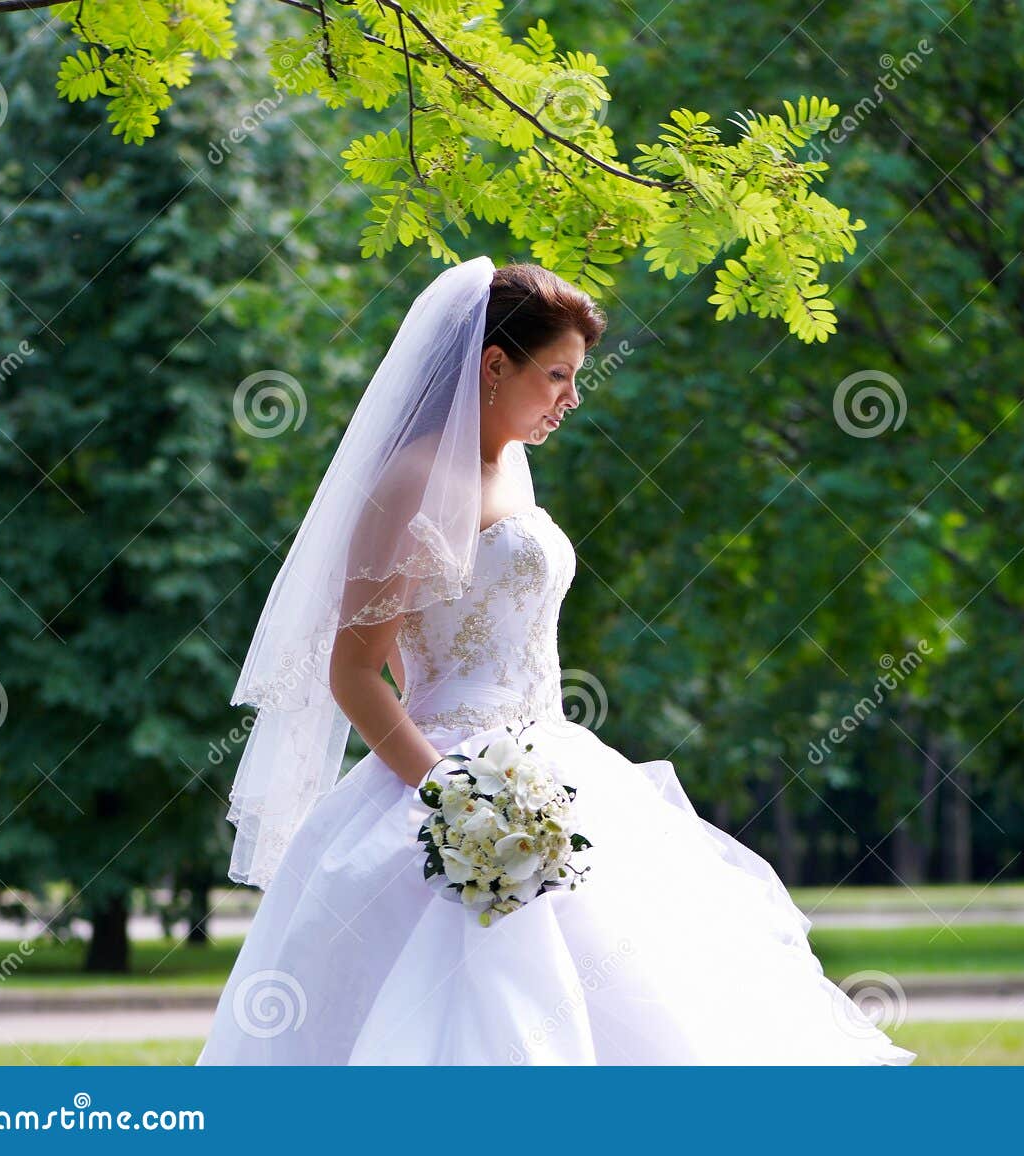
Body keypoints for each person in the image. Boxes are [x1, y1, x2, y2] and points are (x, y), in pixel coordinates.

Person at [196, 256, 915, 1065]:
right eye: (559, 375)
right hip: (448, 783)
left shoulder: (510, 466)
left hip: (556, 767)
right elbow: (355, 672)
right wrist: (453, 797)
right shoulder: (409, 480)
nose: (573, 398)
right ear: (496, 366)